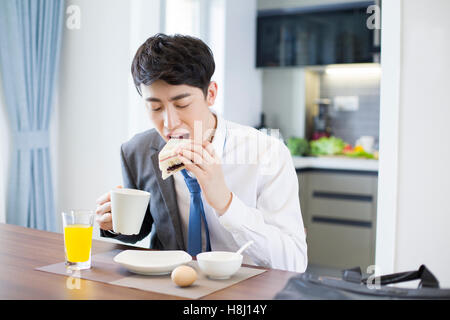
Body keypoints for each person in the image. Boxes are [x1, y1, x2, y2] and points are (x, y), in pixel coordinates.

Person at [95, 34, 307, 272]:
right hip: (170, 286)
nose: (169, 123)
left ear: (211, 94)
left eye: (182, 104)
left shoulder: (267, 153)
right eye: (155, 107)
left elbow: (294, 262)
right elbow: (143, 227)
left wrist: (226, 203)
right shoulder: (137, 150)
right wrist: (116, 223)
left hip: (246, 289)